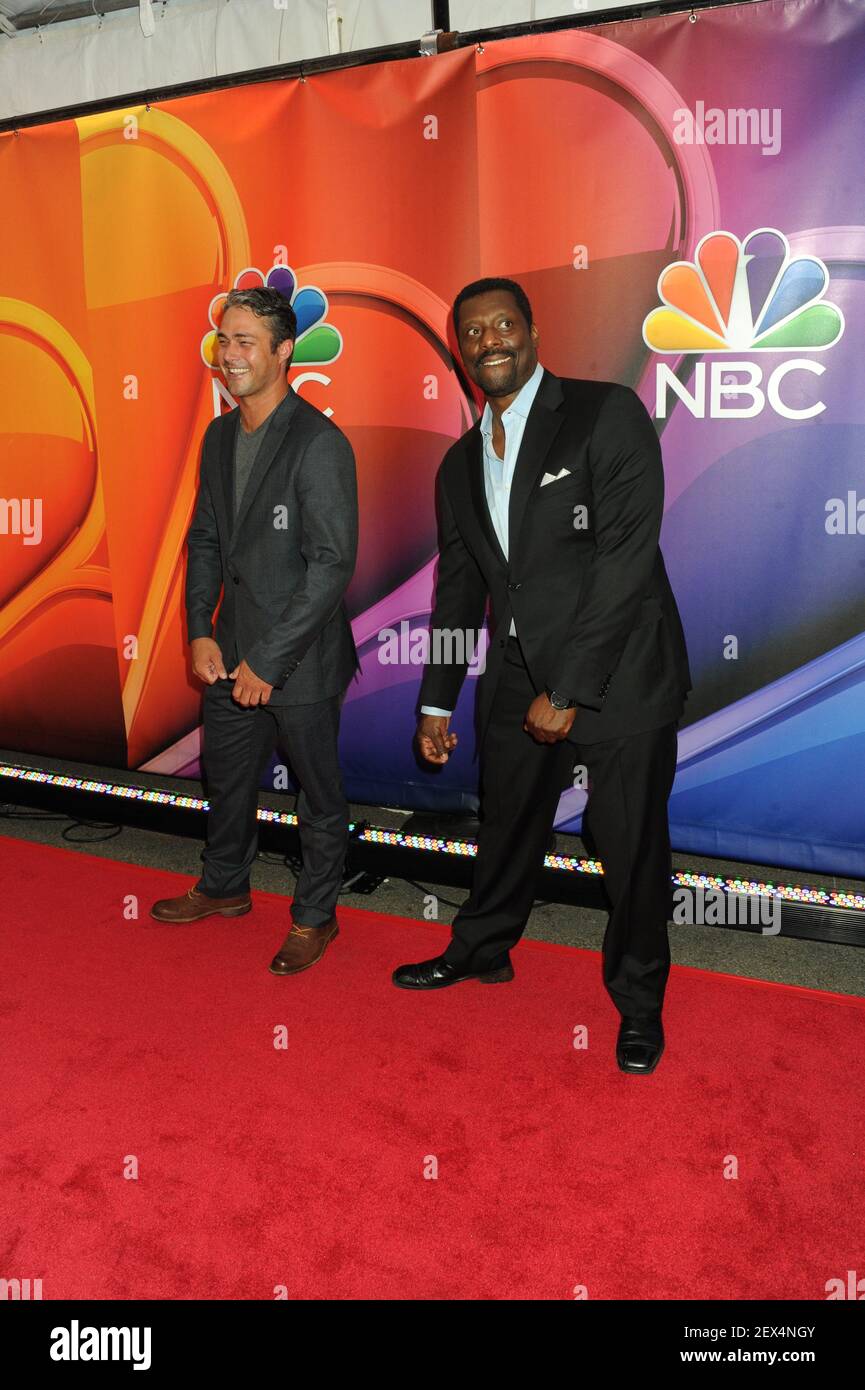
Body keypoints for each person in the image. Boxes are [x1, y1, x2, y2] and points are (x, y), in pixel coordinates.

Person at [392, 277, 692, 1074]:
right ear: (459, 348)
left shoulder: (603, 414)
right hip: (516, 669)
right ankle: (483, 947)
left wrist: (567, 692)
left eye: (503, 324)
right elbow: (460, 587)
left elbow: (623, 565)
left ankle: (638, 1001)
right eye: (473, 331)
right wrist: (435, 699)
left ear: (531, 331)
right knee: (507, 822)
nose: (489, 340)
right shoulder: (458, 464)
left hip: (619, 670)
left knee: (629, 846)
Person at [150, 286, 359, 977]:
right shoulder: (217, 434)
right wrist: (199, 631)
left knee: (318, 798)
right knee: (228, 781)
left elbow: (331, 566)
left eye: (245, 342)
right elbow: (204, 539)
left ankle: (314, 916)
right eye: (224, 340)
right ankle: (224, 886)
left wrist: (268, 659)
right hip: (227, 648)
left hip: (297, 660)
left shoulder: (319, 442)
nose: (230, 355)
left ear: (283, 351)